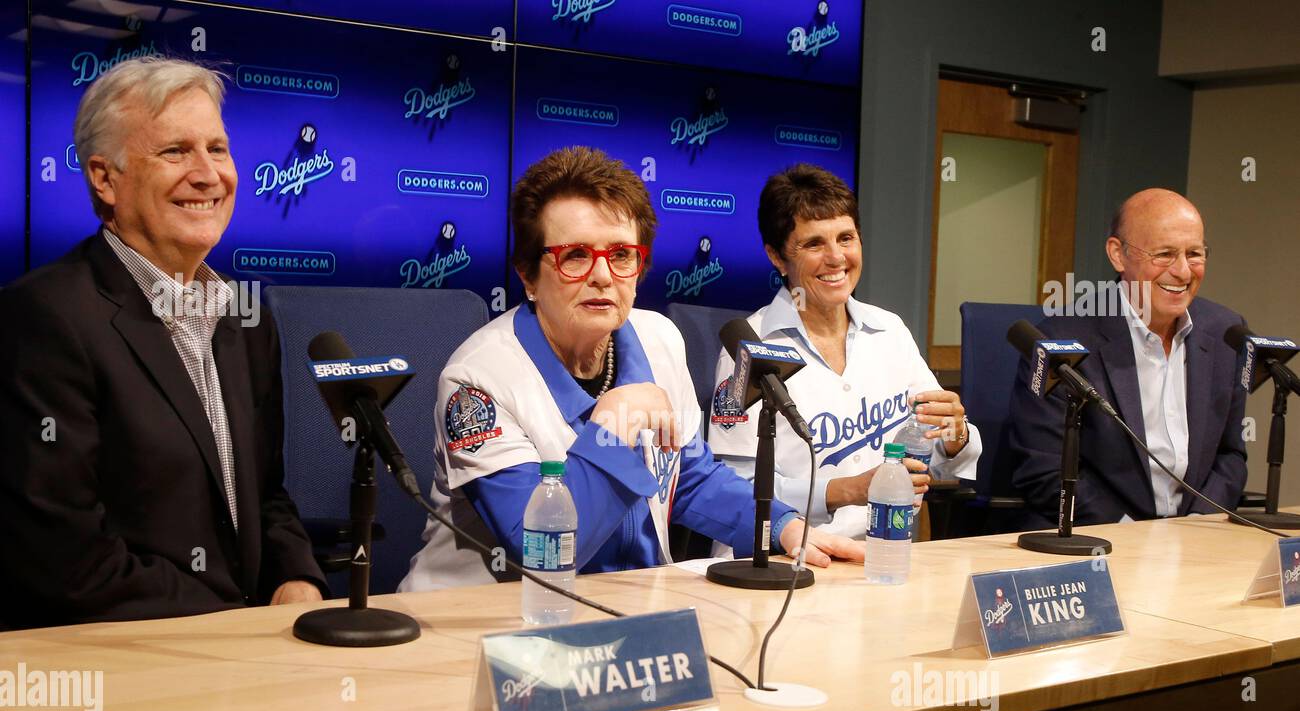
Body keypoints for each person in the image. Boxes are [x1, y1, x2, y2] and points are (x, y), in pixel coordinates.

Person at [400, 147, 863, 591]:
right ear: (527, 276)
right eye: (575, 256)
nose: (602, 275)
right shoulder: (479, 380)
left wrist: (781, 526)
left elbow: (689, 478)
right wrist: (611, 424)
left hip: (626, 603)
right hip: (482, 618)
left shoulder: (658, 337)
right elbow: (541, 551)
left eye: (621, 255)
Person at [0, 56, 324, 629]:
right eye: (175, 151)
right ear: (105, 178)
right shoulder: (46, 317)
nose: (207, 174)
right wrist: (234, 623)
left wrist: (295, 576)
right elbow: (64, 560)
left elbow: (266, 496)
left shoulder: (245, 317)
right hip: (117, 669)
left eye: (217, 149)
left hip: (242, 657)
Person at [708, 164, 980, 542]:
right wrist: (848, 489)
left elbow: (939, 456)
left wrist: (955, 434)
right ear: (776, 256)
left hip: (888, 550)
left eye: (846, 238)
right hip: (788, 558)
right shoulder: (749, 348)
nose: (836, 258)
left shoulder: (890, 331)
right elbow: (734, 490)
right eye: (814, 244)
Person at [1008, 188, 1247, 526]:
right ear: (1118, 255)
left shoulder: (1227, 332)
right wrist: (1136, 538)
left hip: (1197, 539)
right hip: (1105, 539)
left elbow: (1230, 454)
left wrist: (1199, 527)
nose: (1182, 271)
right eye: (1164, 254)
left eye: (1194, 253)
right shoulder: (1059, 340)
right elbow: (1044, 469)